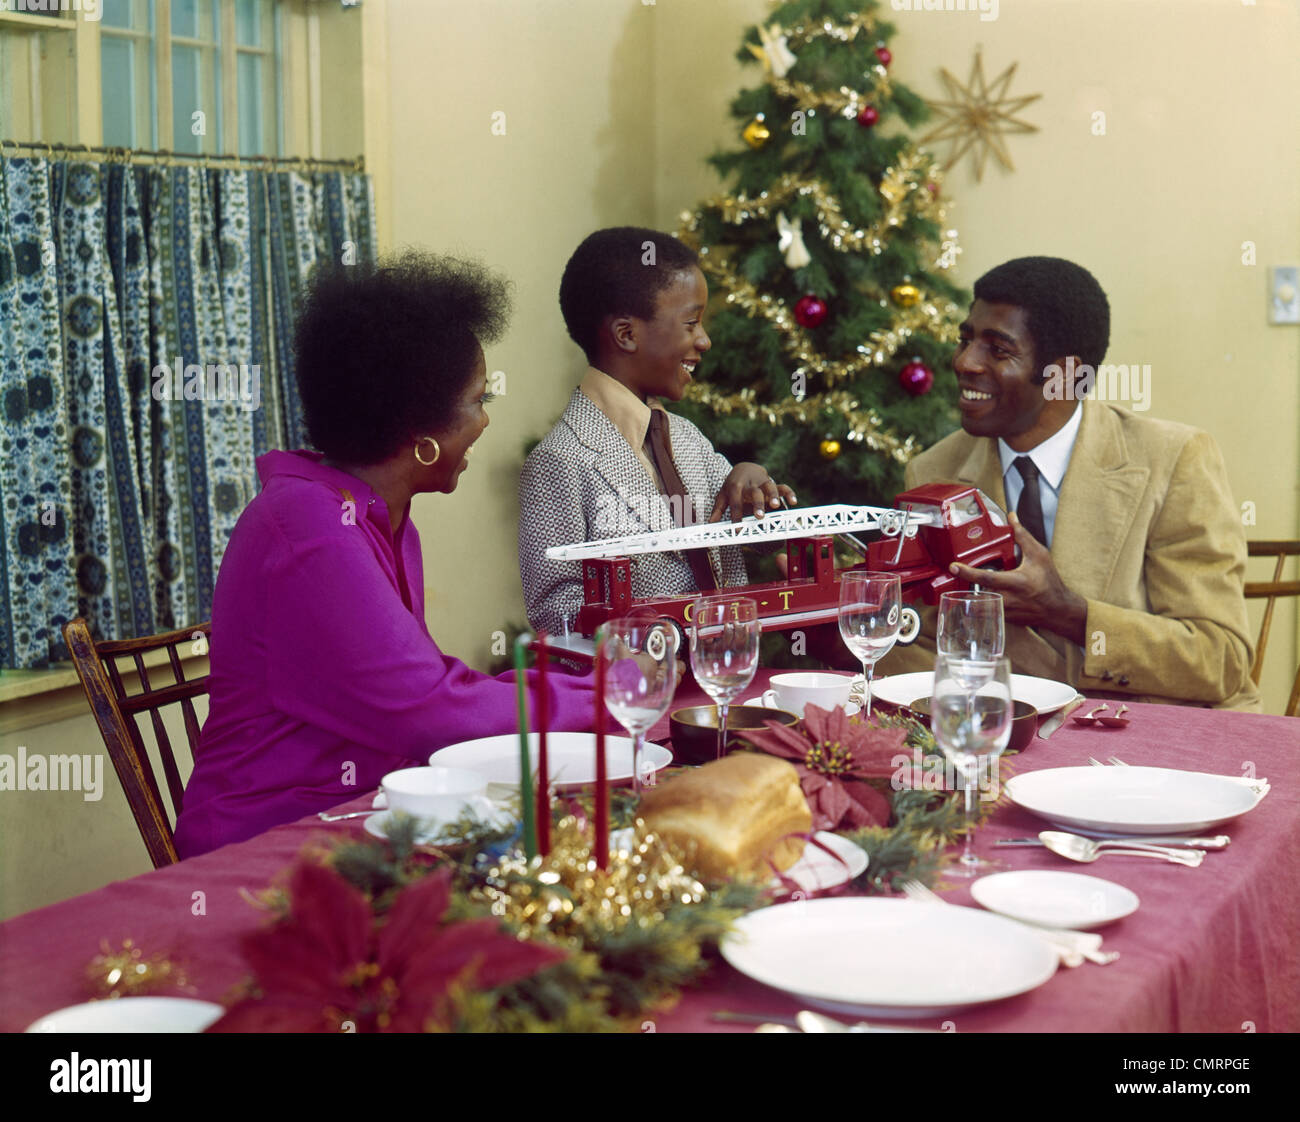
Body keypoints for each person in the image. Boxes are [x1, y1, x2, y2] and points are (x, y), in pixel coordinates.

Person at [173, 252, 596, 859]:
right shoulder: (309, 526)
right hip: (268, 842)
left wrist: (566, 683)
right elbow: (426, 710)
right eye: (479, 401)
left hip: (361, 810)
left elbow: (422, 689)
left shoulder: (369, 512)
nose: (483, 423)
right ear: (419, 433)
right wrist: (603, 698)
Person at [880, 256, 1259, 710]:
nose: (964, 362)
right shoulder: (933, 471)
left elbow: (1220, 659)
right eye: (966, 340)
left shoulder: (1174, 459)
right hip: (1007, 738)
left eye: (997, 349)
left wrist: (1070, 614)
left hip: (1148, 740)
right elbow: (923, 646)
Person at [518, 227, 795, 637]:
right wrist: (652, 638)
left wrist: (758, 491)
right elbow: (554, 612)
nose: (705, 340)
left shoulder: (686, 438)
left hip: (726, 675)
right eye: (691, 323)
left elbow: (764, 541)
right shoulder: (559, 462)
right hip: (641, 693)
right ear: (626, 334)